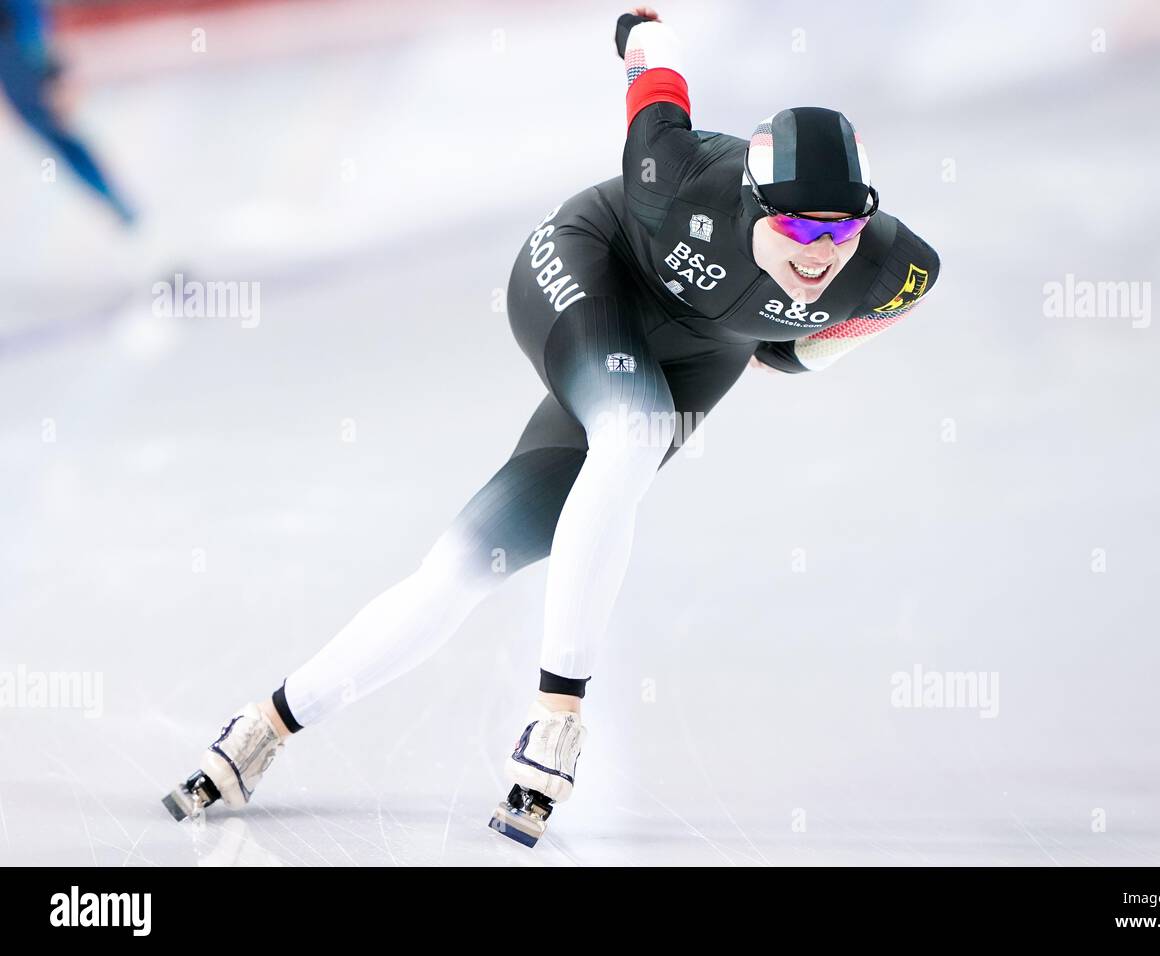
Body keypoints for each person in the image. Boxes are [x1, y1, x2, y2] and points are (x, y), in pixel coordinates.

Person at [163, 7, 941, 846]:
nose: (820, 251)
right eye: (795, 225)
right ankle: (559, 716)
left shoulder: (897, 267)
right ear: (753, 201)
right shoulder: (673, 174)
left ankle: (263, 728)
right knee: (634, 435)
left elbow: (856, 325)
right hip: (588, 267)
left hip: (697, 359)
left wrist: (794, 357)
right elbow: (657, 72)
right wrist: (640, 25)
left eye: (840, 228)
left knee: (462, 566)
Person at [0, 0, 135, 224]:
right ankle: (112, 196)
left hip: (21, 51)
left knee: (56, 131)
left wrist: (45, 61)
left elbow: (28, 19)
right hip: (21, 52)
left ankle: (113, 196)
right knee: (54, 132)